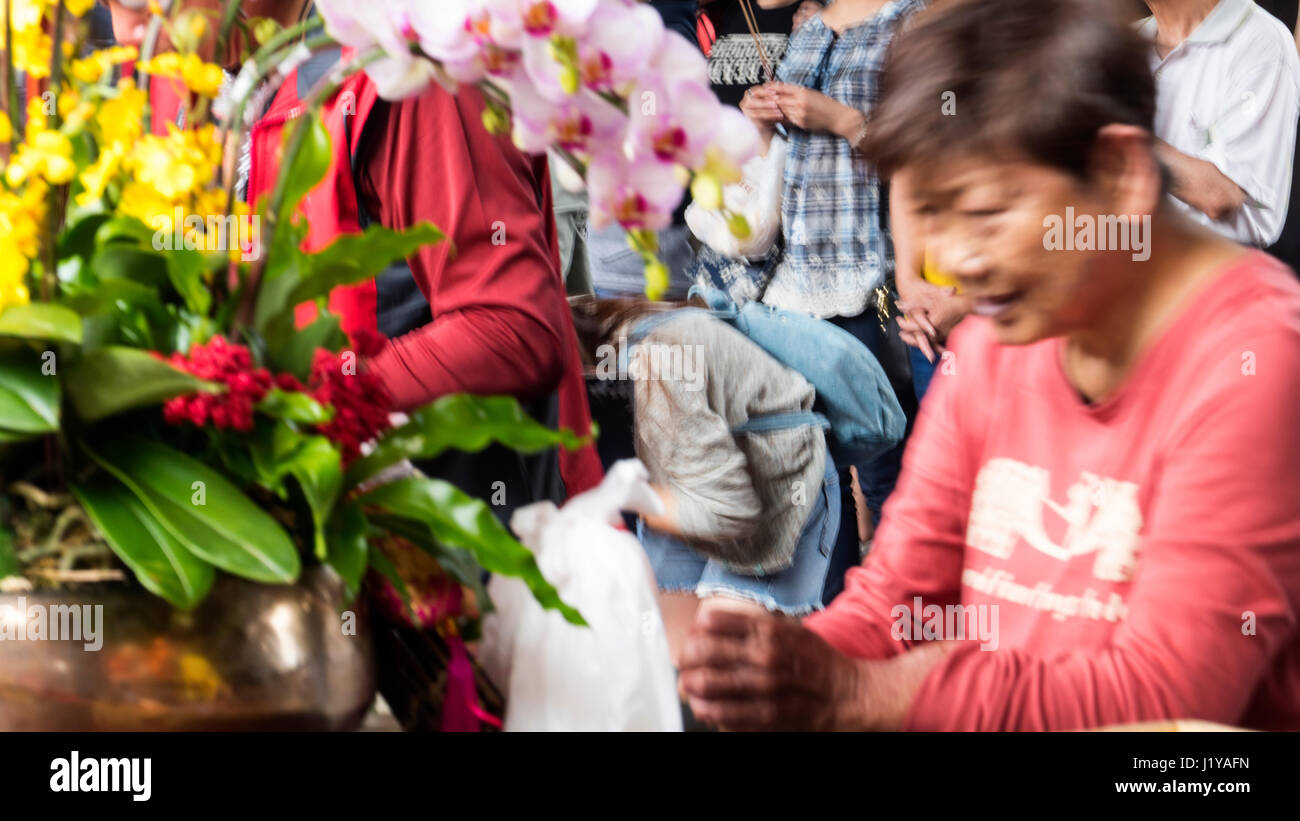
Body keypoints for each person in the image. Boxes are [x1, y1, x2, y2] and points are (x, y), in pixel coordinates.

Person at [678, 0, 1300, 731]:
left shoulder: (1257, 360)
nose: (959, 264)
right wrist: (785, 673)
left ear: (1121, 175)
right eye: (932, 214)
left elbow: (1168, 714)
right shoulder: (999, 339)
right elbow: (898, 602)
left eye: (987, 213)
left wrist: (858, 695)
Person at [739, 0, 928, 546]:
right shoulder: (809, 30)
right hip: (791, 289)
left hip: (873, 285)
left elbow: (925, 156)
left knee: (888, 469)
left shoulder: (910, 22)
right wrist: (761, 124)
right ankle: (836, 613)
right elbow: (782, 159)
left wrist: (841, 120)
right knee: (815, 476)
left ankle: (906, 616)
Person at [571, 296, 839, 665]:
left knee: (726, 670)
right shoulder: (585, 325)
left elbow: (730, 512)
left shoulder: (652, 363)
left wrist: (625, 499)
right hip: (694, 476)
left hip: (779, 485)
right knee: (668, 661)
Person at [1142, 0, 1300, 247]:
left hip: (1214, 264)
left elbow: (1220, 197)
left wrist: (1120, 141)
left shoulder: (1262, 40)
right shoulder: (1121, 41)